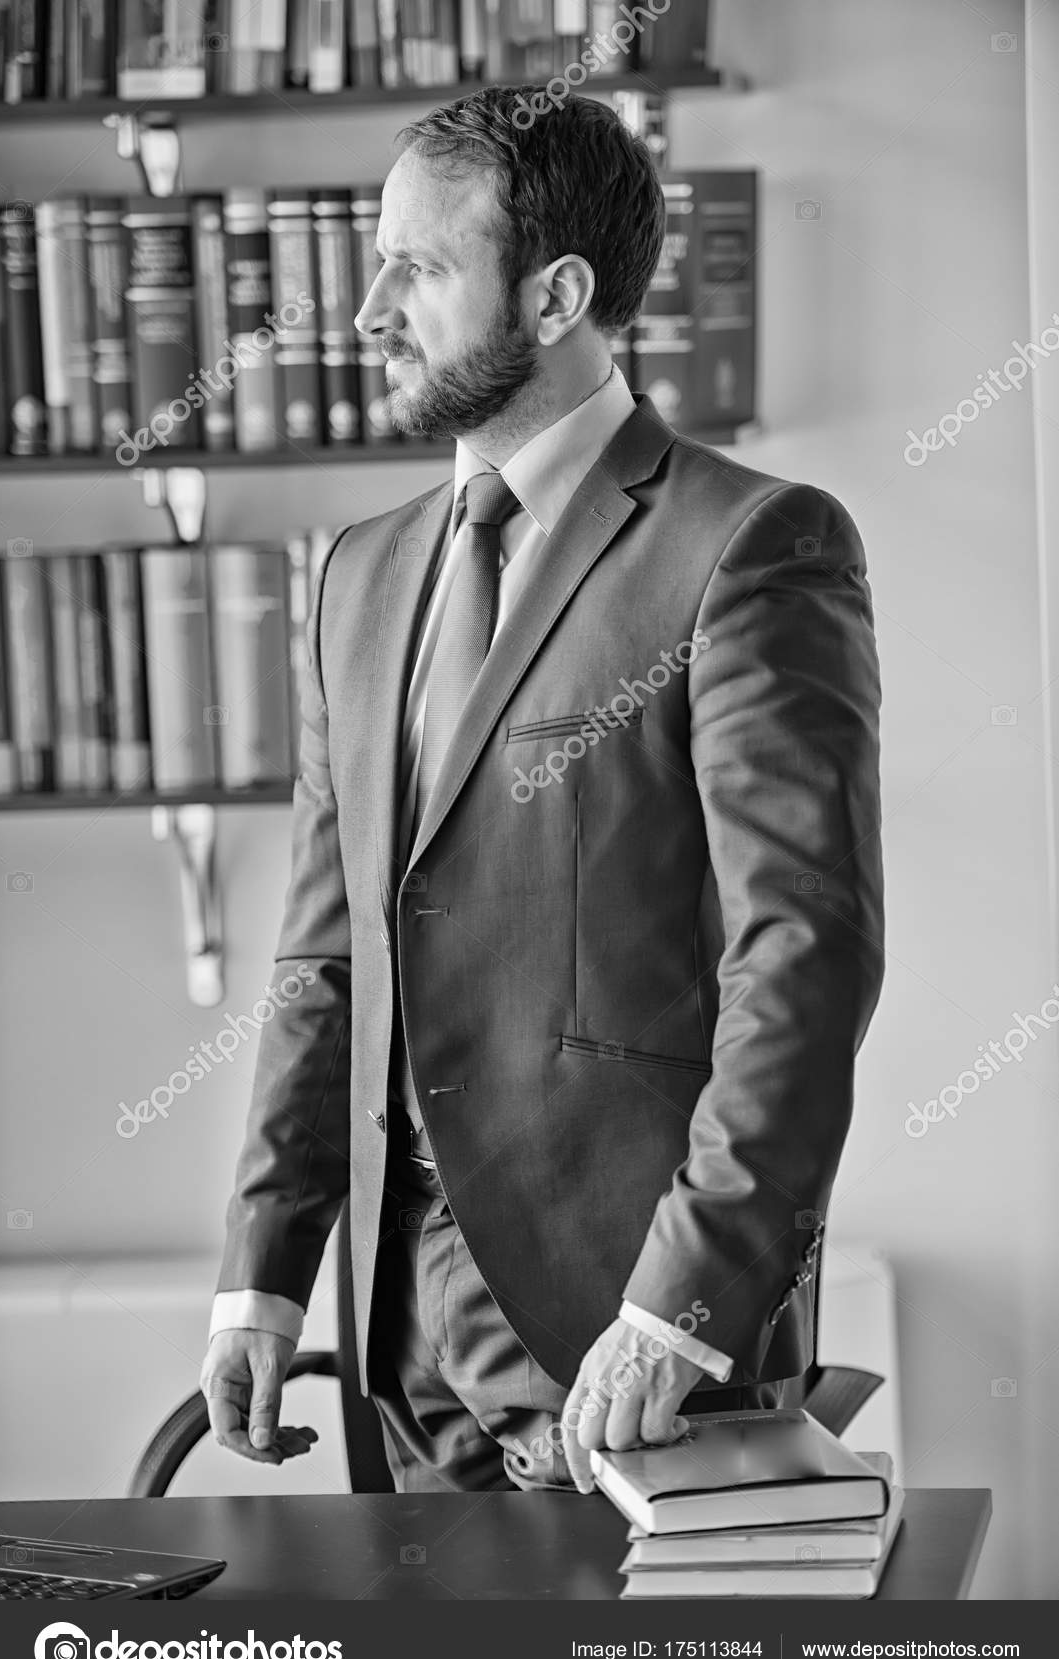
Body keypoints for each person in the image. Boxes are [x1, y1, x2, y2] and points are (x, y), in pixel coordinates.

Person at [199, 86, 884, 1493]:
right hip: (400, 1346)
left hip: (628, 1333)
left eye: (420, 267)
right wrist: (263, 1273)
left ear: (557, 293)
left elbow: (801, 952)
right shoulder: (354, 574)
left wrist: (682, 1303)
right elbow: (327, 951)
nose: (371, 309)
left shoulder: (750, 546)